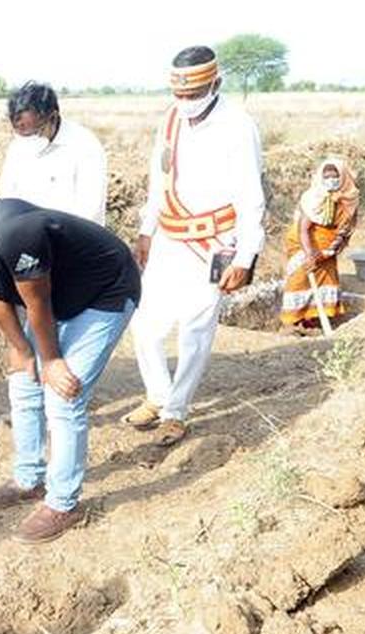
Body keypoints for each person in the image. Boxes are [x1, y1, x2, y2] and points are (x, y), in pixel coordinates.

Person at [0, 196, 140, 544]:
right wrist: (22, 351)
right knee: (22, 384)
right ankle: (28, 479)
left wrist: (50, 361)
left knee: (63, 395)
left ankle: (64, 504)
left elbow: (37, 301)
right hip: (59, 299)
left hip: (104, 292)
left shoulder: (17, 234)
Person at [123, 46, 266, 447]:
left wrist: (246, 255)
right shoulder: (170, 120)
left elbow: (252, 196)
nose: (185, 102)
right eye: (179, 95)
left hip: (215, 241)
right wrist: (146, 231)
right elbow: (159, 181)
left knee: (195, 329)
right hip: (169, 236)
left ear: (215, 84)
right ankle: (157, 395)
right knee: (145, 323)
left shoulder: (238, 126)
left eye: (194, 94)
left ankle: (176, 411)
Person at [0, 82, 108, 225]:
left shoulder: (85, 147)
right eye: (21, 133)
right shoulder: (18, 146)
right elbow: (7, 198)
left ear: (52, 118)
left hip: (73, 239)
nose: (29, 139)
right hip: (26, 236)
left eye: (36, 132)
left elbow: (89, 213)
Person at [280, 157, 360, 332]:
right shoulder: (314, 197)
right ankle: (292, 322)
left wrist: (328, 252)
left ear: (344, 177)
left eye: (335, 176)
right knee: (300, 277)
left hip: (328, 246)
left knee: (326, 277)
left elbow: (345, 233)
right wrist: (310, 254)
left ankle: (313, 318)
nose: (330, 180)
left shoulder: (350, 199)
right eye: (327, 176)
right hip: (304, 242)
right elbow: (303, 229)